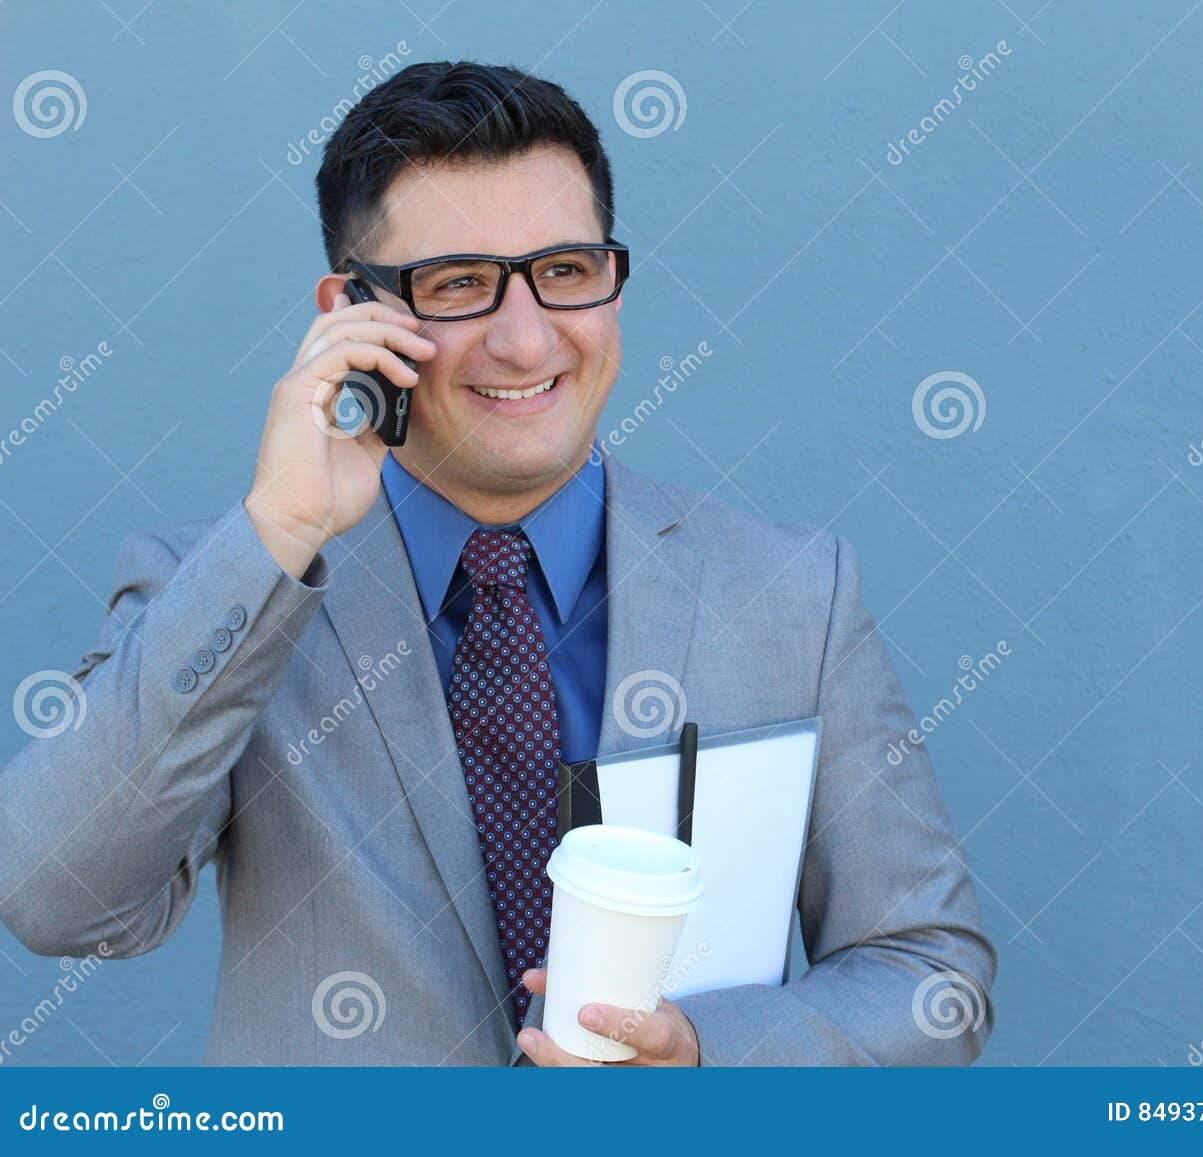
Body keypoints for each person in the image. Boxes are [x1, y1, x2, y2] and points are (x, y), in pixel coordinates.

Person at [0, 61, 995, 1066]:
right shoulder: (229, 584)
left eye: (565, 270)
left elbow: (930, 978)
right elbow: (54, 896)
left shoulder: (792, 596)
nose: (524, 341)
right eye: (460, 285)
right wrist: (282, 525)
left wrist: (705, 1054)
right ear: (350, 310)